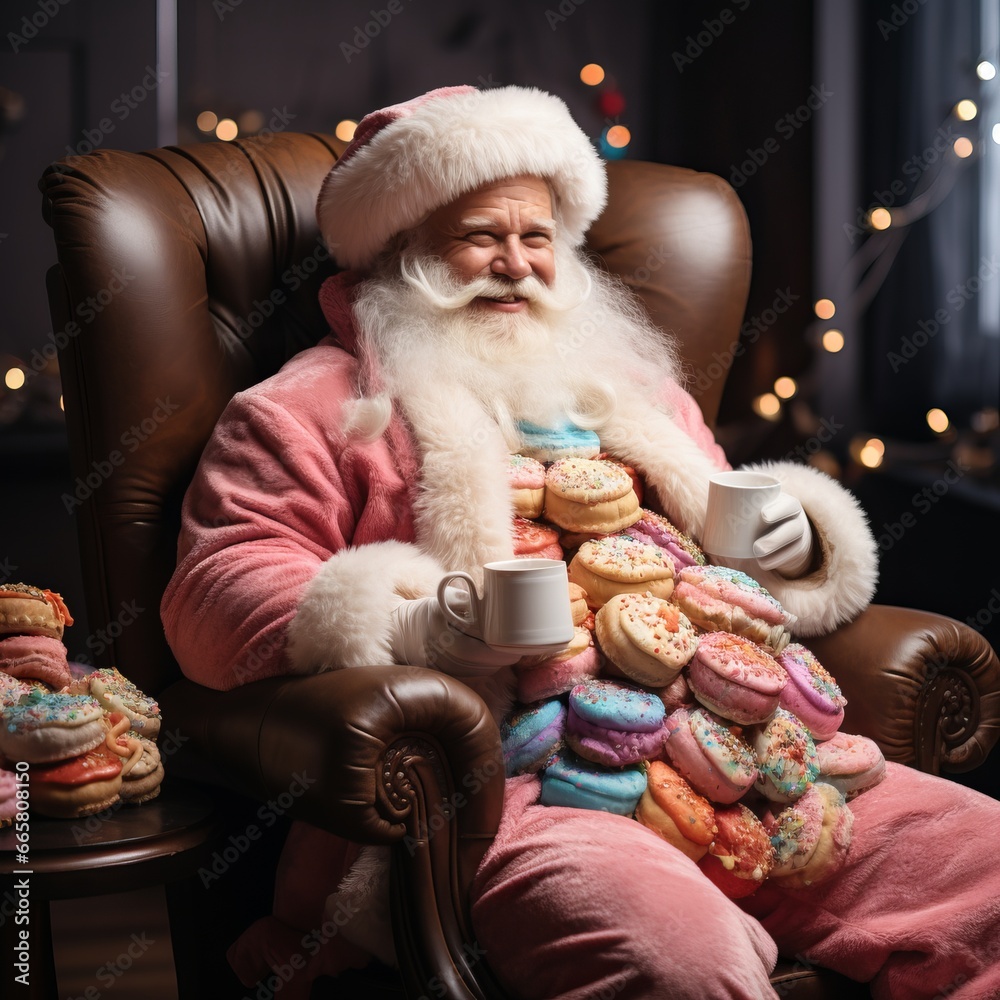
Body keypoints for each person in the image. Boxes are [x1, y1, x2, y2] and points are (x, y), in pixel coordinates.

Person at [161, 85, 1000, 999]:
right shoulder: (304, 411)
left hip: (755, 758)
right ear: (401, 250)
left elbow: (725, 551)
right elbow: (216, 589)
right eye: (481, 236)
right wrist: (419, 632)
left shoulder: (633, 394)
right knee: (675, 964)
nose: (517, 264)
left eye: (539, 238)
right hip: (517, 787)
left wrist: (793, 541)